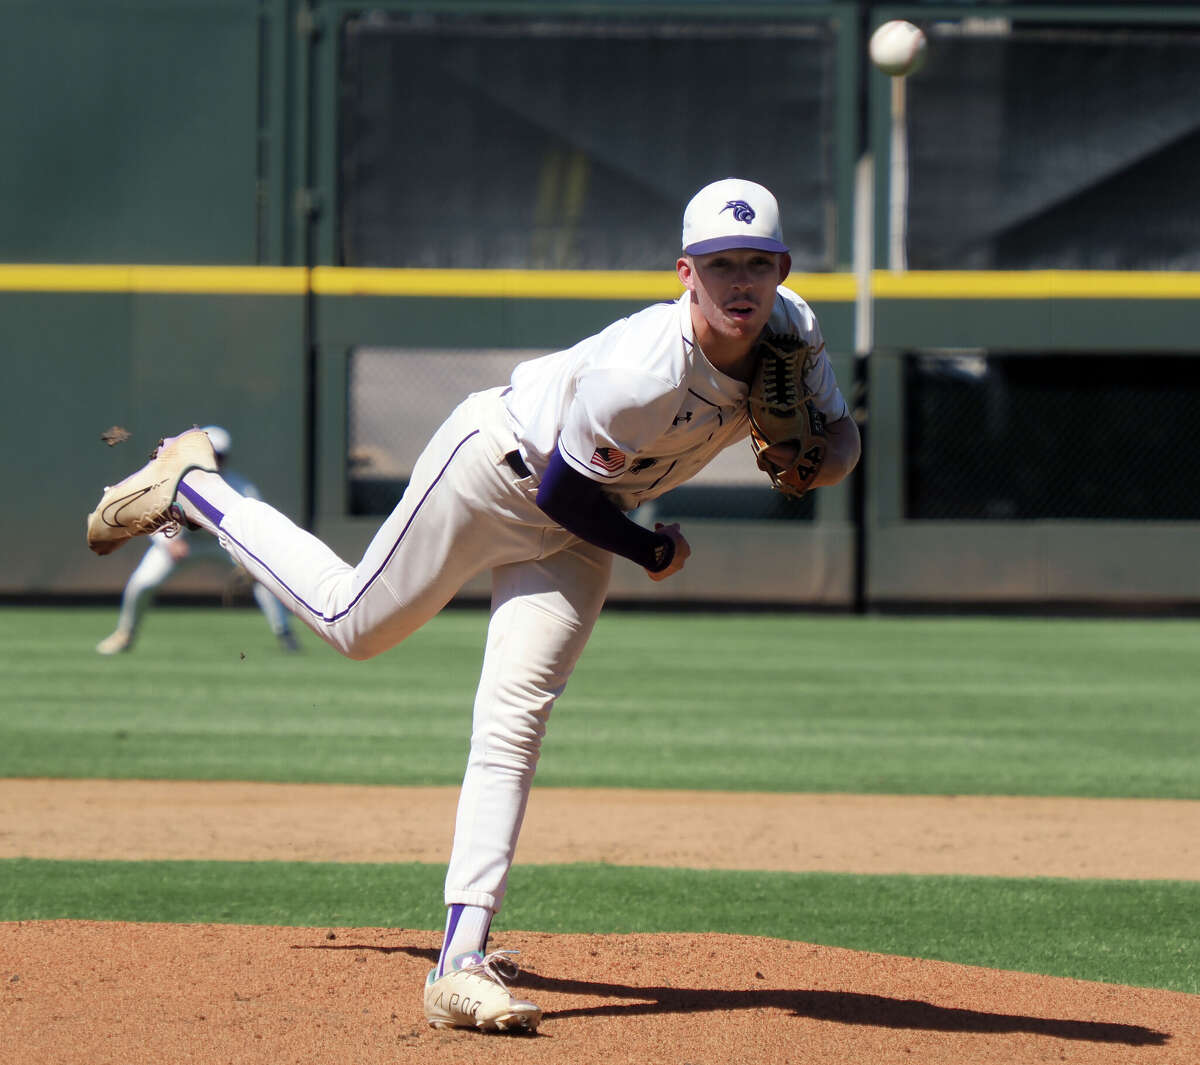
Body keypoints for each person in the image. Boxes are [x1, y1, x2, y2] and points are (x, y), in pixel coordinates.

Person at [84, 178, 861, 1033]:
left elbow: (839, 439)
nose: (740, 281)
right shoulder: (640, 372)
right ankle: (197, 488)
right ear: (686, 272)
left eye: (757, 262)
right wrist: (649, 550)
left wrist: (814, 459)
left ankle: (459, 962)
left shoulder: (796, 329)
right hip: (497, 472)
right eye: (720, 264)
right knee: (354, 625)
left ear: (783, 266)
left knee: (514, 719)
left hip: (584, 519)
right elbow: (566, 490)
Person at [95, 426, 300, 656]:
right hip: (182, 540)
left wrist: (248, 553)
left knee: (263, 577)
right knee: (142, 583)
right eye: (212, 453)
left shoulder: (240, 485)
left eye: (220, 455)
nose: (215, 459)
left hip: (223, 543)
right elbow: (151, 513)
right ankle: (125, 634)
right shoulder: (175, 479)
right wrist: (168, 542)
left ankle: (285, 633)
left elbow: (254, 522)